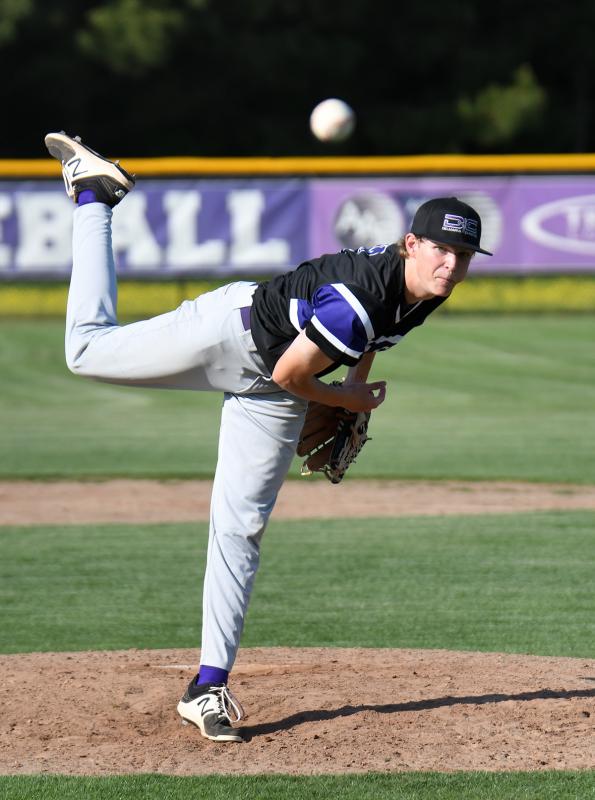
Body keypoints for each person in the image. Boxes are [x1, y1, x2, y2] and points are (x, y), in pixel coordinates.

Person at [44, 131, 492, 743]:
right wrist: (349, 400)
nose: (452, 265)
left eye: (463, 255)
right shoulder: (365, 296)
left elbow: (368, 343)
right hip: (230, 337)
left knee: (241, 526)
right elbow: (293, 372)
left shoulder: (423, 288)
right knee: (86, 351)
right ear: (411, 244)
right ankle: (95, 196)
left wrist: (351, 388)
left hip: (276, 387)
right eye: (442, 250)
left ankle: (207, 686)